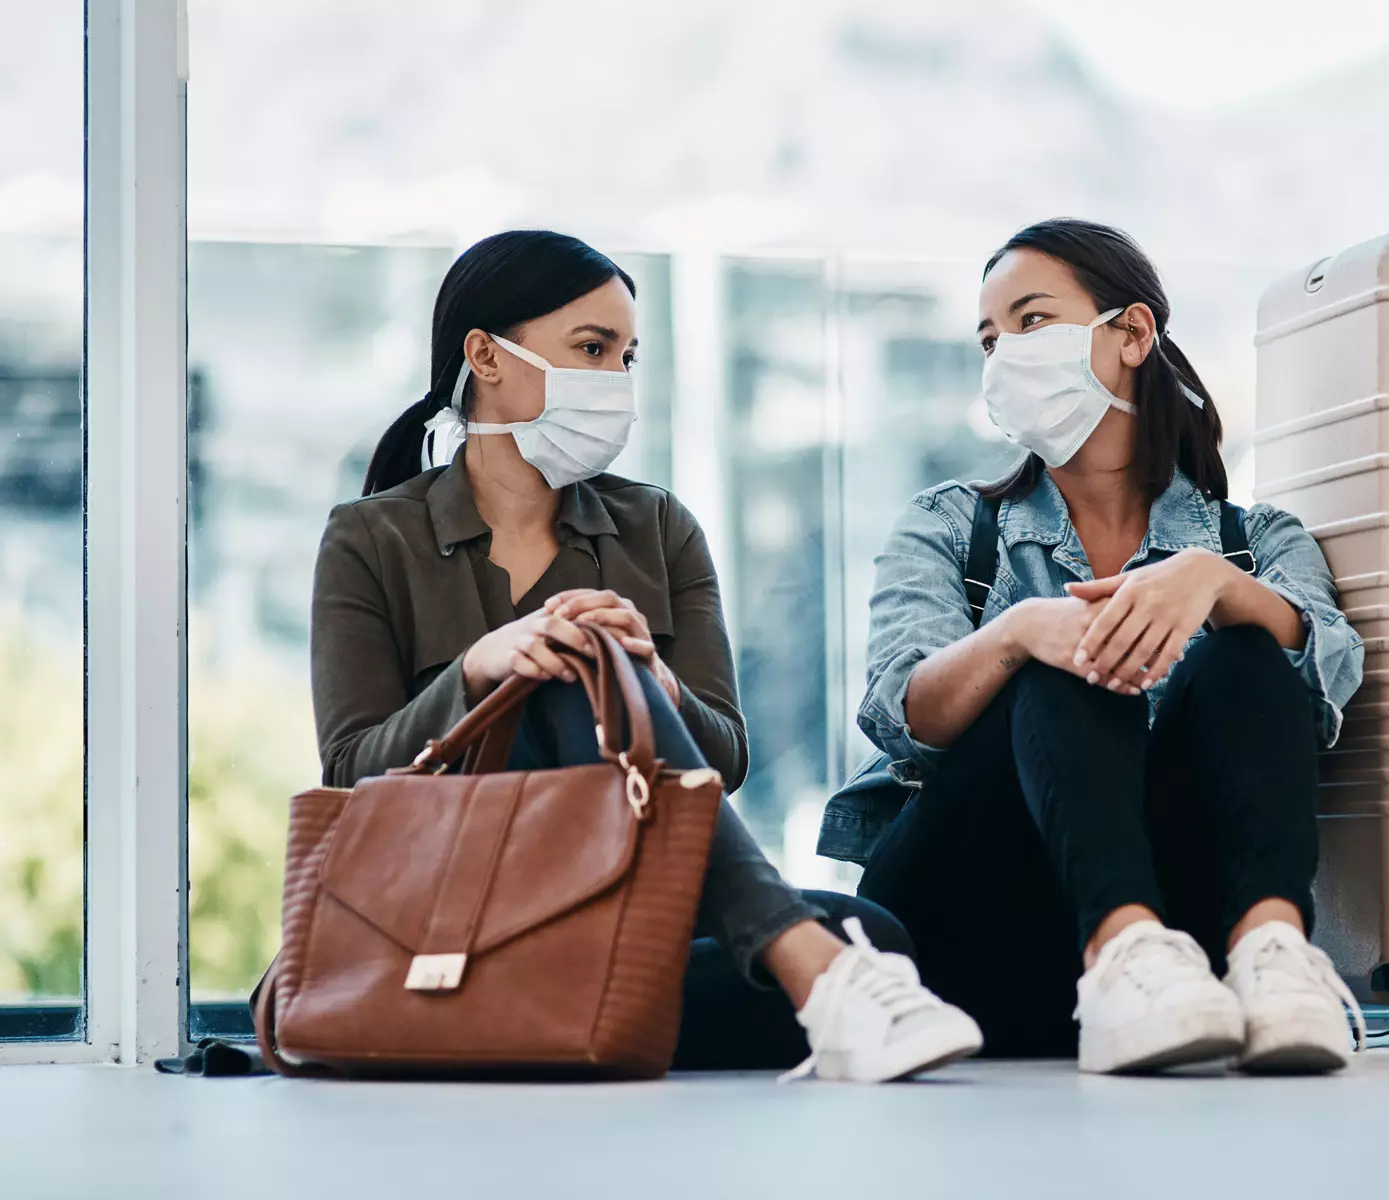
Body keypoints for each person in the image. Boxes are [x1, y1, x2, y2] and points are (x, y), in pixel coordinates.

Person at [312, 229, 981, 1082]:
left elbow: (727, 756)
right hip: (455, 911)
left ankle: (529, 1015)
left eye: (628, 357)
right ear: (485, 355)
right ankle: (794, 963)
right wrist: (482, 667)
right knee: (564, 670)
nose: (618, 381)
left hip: (627, 896)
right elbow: (348, 772)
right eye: (593, 350)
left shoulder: (658, 529)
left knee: (875, 933)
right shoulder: (372, 537)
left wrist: (653, 682)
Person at [832, 219, 1366, 1075]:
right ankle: (1121, 953)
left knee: (1246, 652)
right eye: (989, 337)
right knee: (1065, 660)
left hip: (1189, 956)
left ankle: (1274, 962)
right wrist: (1016, 633)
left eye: (1031, 320)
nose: (1004, 351)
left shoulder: (1254, 540)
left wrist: (1219, 586)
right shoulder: (947, 525)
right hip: (978, 923)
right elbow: (903, 716)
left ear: (1133, 333)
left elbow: (1331, 673)